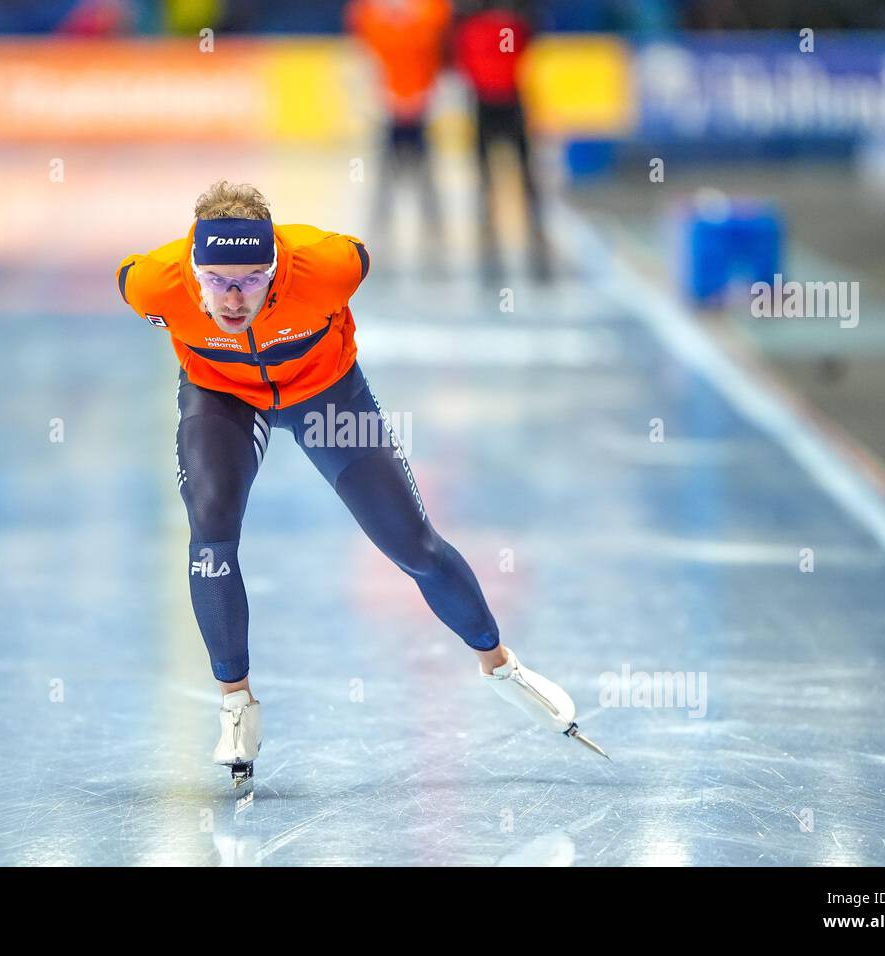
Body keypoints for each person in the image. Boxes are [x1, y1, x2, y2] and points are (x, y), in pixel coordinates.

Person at [116, 180, 606, 786]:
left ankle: (501, 666)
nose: (235, 296)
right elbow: (128, 278)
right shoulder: (153, 284)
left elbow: (361, 254)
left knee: (412, 544)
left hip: (326, 394)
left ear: (277, 267)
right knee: (211, 527)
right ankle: (236, 704)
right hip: (222, 396)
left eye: (252, 277)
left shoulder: (328, 267)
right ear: (193, 269)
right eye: (217, 280)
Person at [345, 0, 452, 268]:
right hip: (390, 106)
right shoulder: (374, 16)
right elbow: (365, 40)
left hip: (420, 103)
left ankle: (433, 230)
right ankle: (381, 230)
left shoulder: (428, 12)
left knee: (424, 174)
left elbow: (437, 34)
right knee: (386, 178)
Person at [454, 0, 551, 281]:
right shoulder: (494, 27)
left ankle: (527, 236)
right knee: (496, 178)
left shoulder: (494, 27)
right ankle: (493, 239)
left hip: (501, 104)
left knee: (518, 176)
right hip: (495, 104)